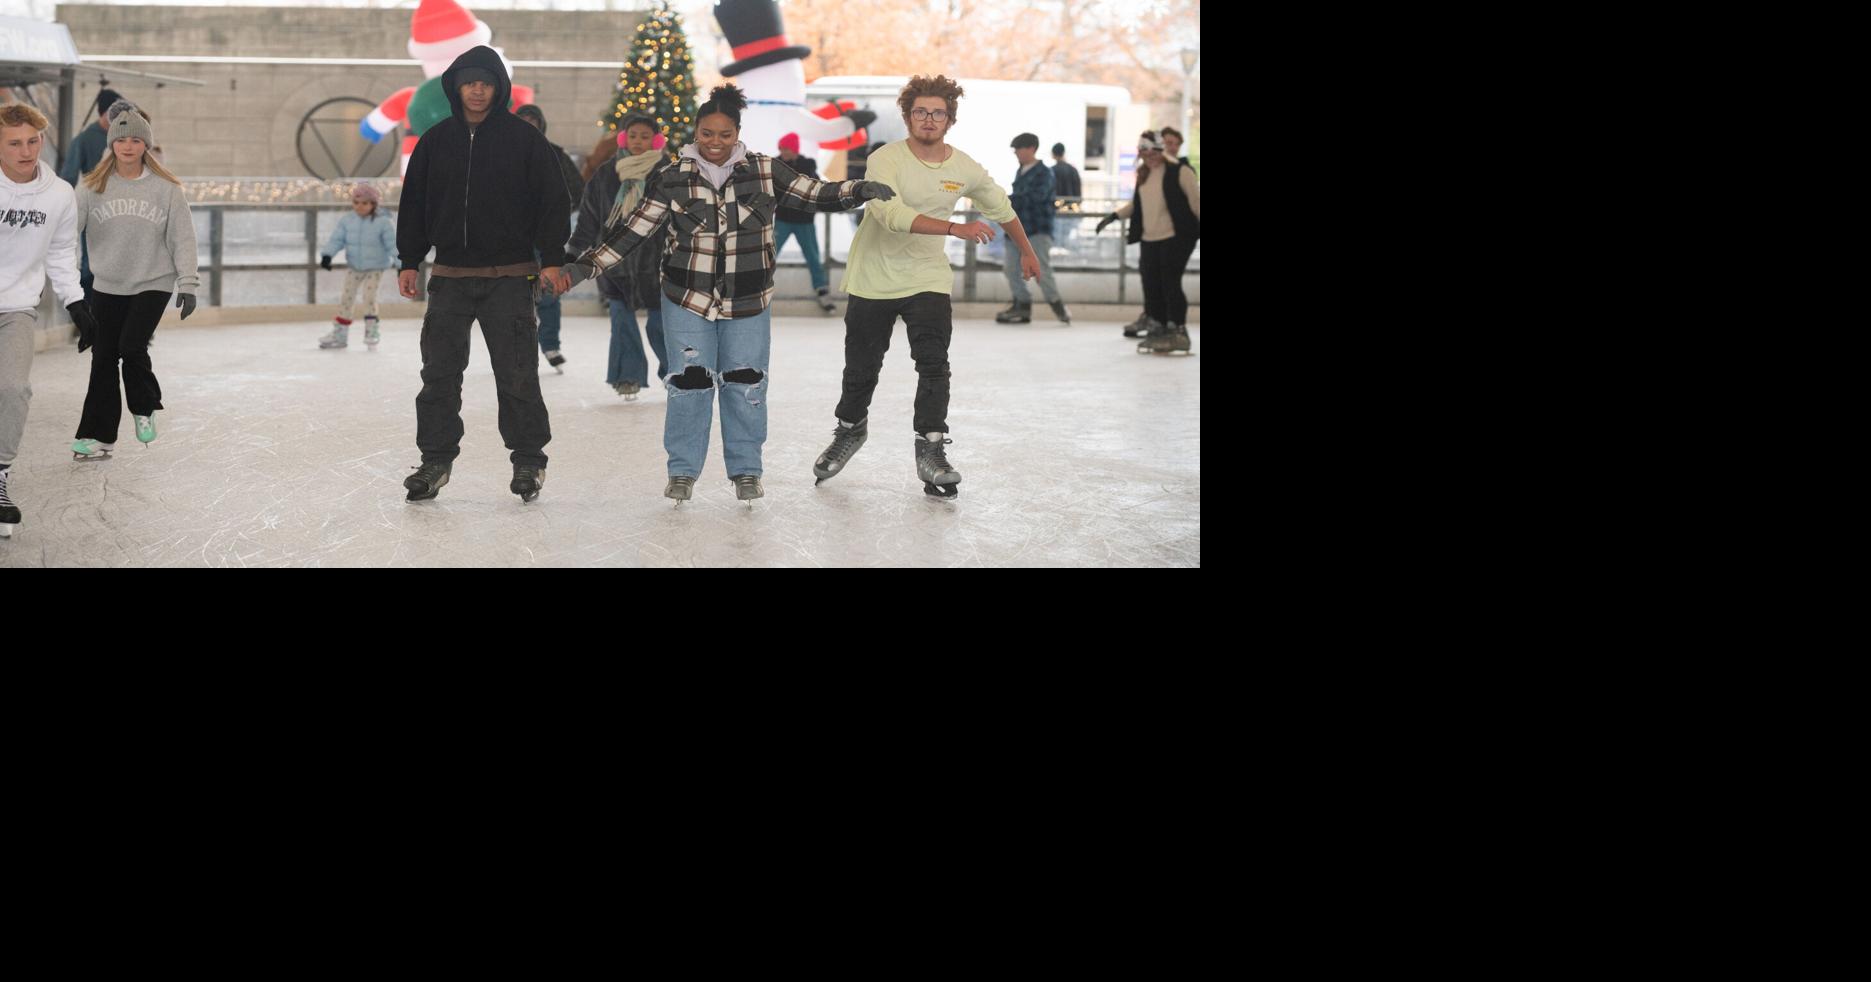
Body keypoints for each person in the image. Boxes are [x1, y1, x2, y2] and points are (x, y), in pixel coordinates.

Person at [550, 84, 892, 504]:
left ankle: (746, 470)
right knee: (689, 384)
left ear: (737, 134)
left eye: (724, 134)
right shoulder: (672, 177)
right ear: (696, 133)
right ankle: (682, 471)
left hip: (748, 301)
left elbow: (812, 192)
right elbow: (632, 231)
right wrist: (584, 266)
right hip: (686, 298)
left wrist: (857, 190)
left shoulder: (764, 171)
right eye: (707, 134)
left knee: (745, 385)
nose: (715, 142)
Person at [809, 74, 1042, 499]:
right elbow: (891, 215)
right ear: (907, 116)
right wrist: (955, 227)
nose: (929, 119)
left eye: (938, 112)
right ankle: (850, 430)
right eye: (921, 111)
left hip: (927, 277)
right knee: (861, 366)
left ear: (949, 119)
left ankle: (931, 450)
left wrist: (1027, 250)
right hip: (874, 276)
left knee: (934, 364)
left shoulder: (963, 166)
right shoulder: (886, 159)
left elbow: (1001, 206)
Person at [395, 46, 571, 505]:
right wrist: (409, 259)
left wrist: (552, 257)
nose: (477, 89)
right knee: (439, 375)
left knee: (516, 374)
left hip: (510, 278)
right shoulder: (435, 141)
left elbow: (553, 201)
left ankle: (529, 459)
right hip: (450, 277)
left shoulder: (523, 140)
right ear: (455, 86)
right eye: (469, 81)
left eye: (486, 82)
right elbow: (413, 203)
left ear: (499, 88)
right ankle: (434, 460)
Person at [70, 100, 198, 460]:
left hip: (153, 280)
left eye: (136, 141)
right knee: (103, 357)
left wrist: (188, 283)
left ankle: (144, 407)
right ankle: (98, 436)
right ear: (111, 144)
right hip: (107, 283)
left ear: (146, 145)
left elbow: (183, 238)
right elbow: (66, 233)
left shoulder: (167, 188)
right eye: (122, 141)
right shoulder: (92, 187)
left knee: (131, 347)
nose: (129, 147)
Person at [0, 102, 99, 537]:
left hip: (16, 306)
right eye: (14, 143)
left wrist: (77, 303)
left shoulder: (59, 194)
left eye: (33, 141)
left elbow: (61, 253)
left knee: (13, 388)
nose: (26, 151)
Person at [567, 113, 670, 399]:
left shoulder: (667, 174)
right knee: (621, 321)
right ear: (623, 138)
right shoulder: (605, 174)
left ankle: (675, 373)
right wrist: (574, 253)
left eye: (645, 136)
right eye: (633, 135)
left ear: (656, 140)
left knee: (662, 325)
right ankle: (627, 376)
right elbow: (589, 218)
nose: (638, 141)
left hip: (657, 265)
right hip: (615, 266)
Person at [1096, 131, 1198, 354]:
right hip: (1149, 238)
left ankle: (1178, 330)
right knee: (1151, 284)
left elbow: (1196, 203)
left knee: (1170, 281)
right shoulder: (1144, 174)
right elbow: (1136, 204)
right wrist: (1113, 217)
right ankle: (1159, 326)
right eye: (1145, 153)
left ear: (1162, 151)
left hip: (1177, 236)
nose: (1150, 158)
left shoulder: (1180, 172)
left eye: (1154, 153)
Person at [513, 103, 584, 373]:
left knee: (550, 291)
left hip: (547, 238)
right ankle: (517, 347)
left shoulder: (555, 154)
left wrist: (558, 210)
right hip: (514, 239)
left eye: (534, 121)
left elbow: (577, 189)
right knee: (515, 297)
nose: (529, 125)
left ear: (541, 125)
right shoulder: (503, 154)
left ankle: (550, 343)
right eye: (524, 121)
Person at [994, 132, 1069, 324]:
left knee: (1041, 269)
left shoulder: (1045, 172)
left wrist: (1006, 200)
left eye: (1018, 149)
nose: (1016, 153)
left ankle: (1057, 305)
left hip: (1037, 229)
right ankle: (1022, 304)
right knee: (1010, 268)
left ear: (1031, 149)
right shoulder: (1020, 171)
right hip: (1016, 231)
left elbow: (1037, 197)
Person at [317, 183, 398, 349]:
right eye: (356, 202)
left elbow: (393, 245)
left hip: (375, 267)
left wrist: (401, 265)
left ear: (374, 204)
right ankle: (340, 334)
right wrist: (327, 255)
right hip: (355, 266)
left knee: (369, 298)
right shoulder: (348, 220)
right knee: (346, 298)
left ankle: (371, 331)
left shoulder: (383, 222)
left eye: (365, 203)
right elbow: (336, 239)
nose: (359, 207)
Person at [59, 88, 125, 293]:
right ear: (105, 113)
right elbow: (68, 178)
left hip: (123, 209)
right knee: (92, 263)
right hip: (96, 210)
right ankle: (88, 312)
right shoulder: (85, 139)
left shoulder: (123, 137)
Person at [773, 132, 837, 313]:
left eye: (786, 149)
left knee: (813, 257)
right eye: (781, 148)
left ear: (794, 149)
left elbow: (814, 187)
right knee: (769, 255)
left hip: (804, 220)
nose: (783, 152)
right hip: (783, 219)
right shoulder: (775, 165)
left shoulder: (807, 165)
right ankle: (758, 289)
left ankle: (822, 290)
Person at [1050, 141, 1082, 251]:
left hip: (1056, 209)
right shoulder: (1073, 170)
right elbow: (1078, 192)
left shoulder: (1052, 171)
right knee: (1068, 238)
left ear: (1053, 154)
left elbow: (1050, 191)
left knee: (1057, 239)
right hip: (1071, 209)